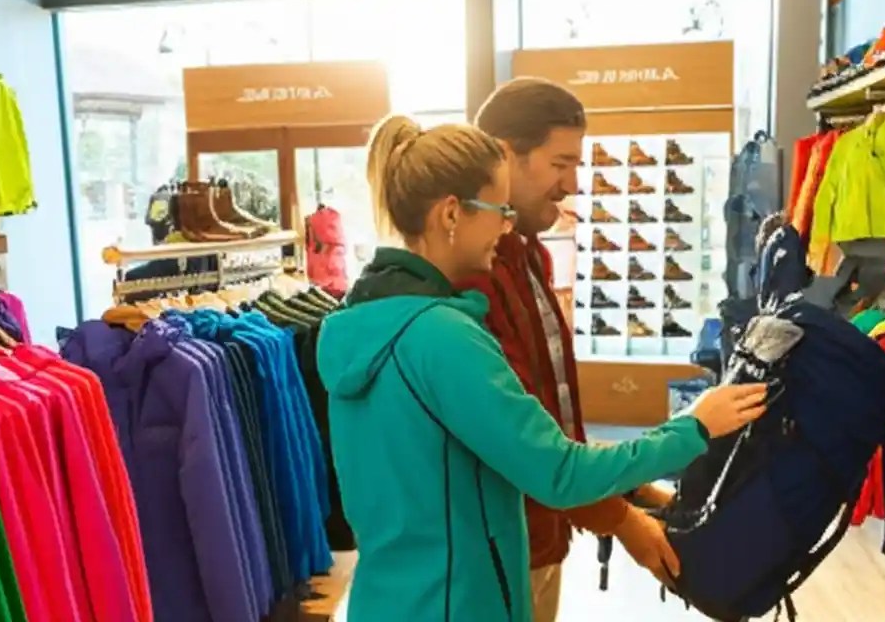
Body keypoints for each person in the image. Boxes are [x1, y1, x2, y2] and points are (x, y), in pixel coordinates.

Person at [316, 114, 767, 622]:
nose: (506, 225)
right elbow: (559, 473)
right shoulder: (441, 337)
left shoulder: (357, 326)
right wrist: (695, 426)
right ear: (451, 214)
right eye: (499, 210)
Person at [466, 77, 683, 619]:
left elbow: (549, 407)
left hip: (543, 530)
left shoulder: (530, 256)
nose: (572, 185)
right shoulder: (477, 277)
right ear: (503, 156)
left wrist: (626, 488)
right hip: (498, 547)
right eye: (560, 164)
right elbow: (515, 436)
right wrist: (620, 518)